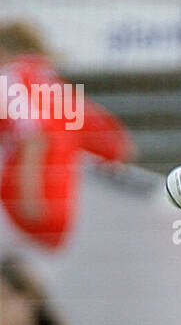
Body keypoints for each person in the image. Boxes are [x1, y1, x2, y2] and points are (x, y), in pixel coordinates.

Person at [0, 21, 133, 253]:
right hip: (59, 212)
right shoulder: (53, 84)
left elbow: (34, 135)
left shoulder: (12, 75)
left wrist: (29, 198)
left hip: (21, 205)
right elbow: (116, 144)